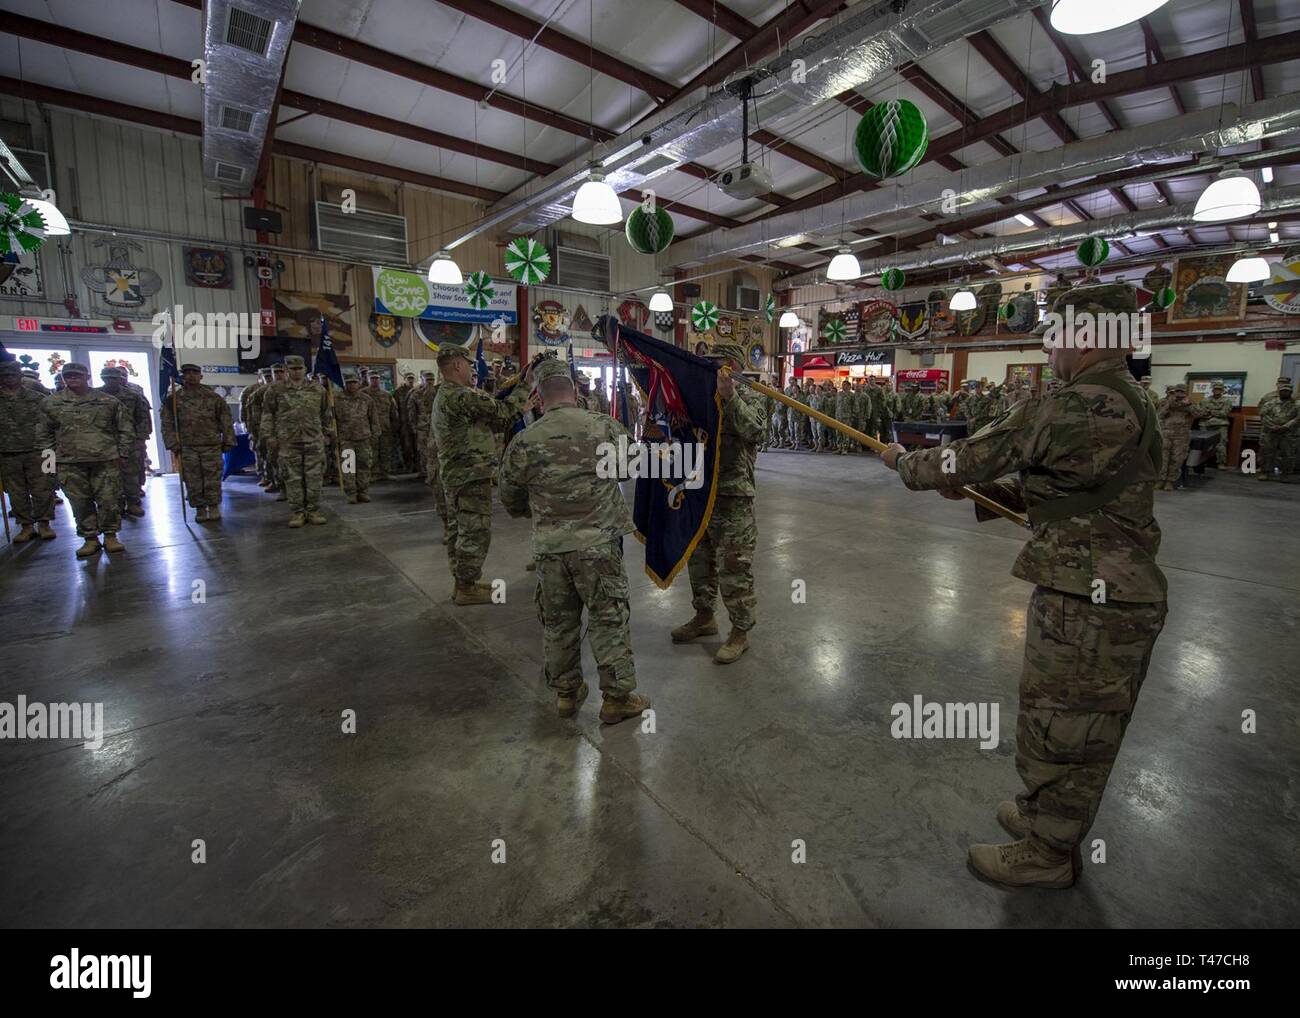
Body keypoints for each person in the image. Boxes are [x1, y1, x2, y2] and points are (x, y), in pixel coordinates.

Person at [881, 282, 1167, 889]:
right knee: (1074, 721)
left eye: (1057, 334)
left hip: (1089, 602)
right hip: (1113, 590)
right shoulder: (1136, 403)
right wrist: (990, 494)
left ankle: (1047, 855)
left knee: (1063, 727)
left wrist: (906, 464)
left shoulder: (1070, 406)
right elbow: (1073, 491)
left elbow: (961, 458)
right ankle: (1045, 817)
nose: (1050, 348)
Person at [498, 358, 651, 724]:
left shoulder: (524, 441)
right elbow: (631, 468)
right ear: (575, 390)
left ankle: (566, 695)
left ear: (538, 395)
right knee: (607, 618)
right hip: (599, 546)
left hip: (551, 550)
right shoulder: (603, 427)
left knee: (559, 622)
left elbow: (510, 499)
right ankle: (616, 700)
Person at [671, 342, 766, 664]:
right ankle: (704, 616)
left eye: (718, 364)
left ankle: (740, 632)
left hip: (732, 496)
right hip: (700, 494)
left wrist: (731, 398)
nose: (709, 369)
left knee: (734, 568)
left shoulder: (750, 396)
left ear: (734, 367)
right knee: (699, 562)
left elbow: (756, 431)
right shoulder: (698, 399)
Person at [432, 345, 534, 604]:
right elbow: (502, 411)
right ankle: (466, 587)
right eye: (468, 364)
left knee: (460, 529)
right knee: (475, 531)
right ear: (457, 365)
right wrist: (525, 386)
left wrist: (515, 402)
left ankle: (463, 582)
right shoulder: (459, 396)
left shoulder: (448, 395)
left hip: (459, 474)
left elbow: (496, 421)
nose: (472, 368)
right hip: (469, 474)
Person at [35, 362, 134, 557]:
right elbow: (43, 434)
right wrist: (49, 460)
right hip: (69, 462)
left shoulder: (108, 401)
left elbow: (125, 428)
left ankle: (111, 535)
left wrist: (123, 453)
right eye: (68, 375)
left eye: (77, 375)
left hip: (104, 459)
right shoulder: (50, 403)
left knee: (108, 499)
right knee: (80, 502)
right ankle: (90, 538)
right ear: (63, 378)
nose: (73, 378)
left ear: (87, 377)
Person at [261, 354, 330, 527]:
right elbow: (268, 414)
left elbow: (326, 413)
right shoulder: (275, 390)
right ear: (286, 370)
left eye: (300, 368)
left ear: (305, 369)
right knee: (292, 478)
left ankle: (313, 510)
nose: (297, 371)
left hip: (313, 439)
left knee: (314, 476)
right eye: (293, 368)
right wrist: (269, 436)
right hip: (288, 441)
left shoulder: (317, 389)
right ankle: (297, 512)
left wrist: (327, 434)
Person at [160, 364, 236, 522]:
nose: (191, 376)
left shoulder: (213, 397)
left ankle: (213, 506)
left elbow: (226, 420)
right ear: (182, 377)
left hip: (211, 445)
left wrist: (228, 439)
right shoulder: (173, 400)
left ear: (201, 376)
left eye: (195, 373)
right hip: (187, 446)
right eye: (187, 373)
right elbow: (167, 424)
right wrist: (172, 444)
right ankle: (200, 509)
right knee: (192, 479)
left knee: (212, 478)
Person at [0, 360, 57, 542]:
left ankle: (44, 524)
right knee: (16, 492)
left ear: (20, 376)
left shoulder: (37, 398)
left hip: (38, 451)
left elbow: (52, 424)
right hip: (7, 452)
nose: (9, 379)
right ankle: (26, 526)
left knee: (43, 489)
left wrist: (52, 449)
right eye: (5, 376)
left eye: (13, 375)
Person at [97, 366, 152, 518]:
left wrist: (142, 438)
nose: (112, 381)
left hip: (130, 441)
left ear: (121, 379)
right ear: (102, 378)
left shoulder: (133, 396)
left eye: (115, 378)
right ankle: (117, 505)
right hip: (104, 442)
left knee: (131, 475)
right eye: (108, 378)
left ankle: (133, 503)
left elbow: (142, 419)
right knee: (109, 476)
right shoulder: (95, 396)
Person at [334, 370, 380, 503]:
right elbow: (332, 419)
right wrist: (332, 436)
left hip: (364, 438)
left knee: (364, 466)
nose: (352, 385)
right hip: (346, 439)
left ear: (359, 383)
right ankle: (351, 493)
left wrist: (375, 434)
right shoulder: (337, 399)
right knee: (348, 467)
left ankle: (363, 492)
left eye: (354, 382)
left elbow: (374, 418)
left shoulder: (366, 399)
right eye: (348, 383)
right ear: (344, 384)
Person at [1157, 383, 1194, 491]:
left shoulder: (1189, 404)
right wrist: (1170, 403)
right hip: (1166, 434)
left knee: (1177, 459)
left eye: (1182, 392)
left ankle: (1170, 481)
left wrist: (1188, 405)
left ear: (1185, 393)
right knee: (1162, 458)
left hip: (1181, 436)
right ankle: (1160, 480)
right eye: (1177, 391)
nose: (1179, 394)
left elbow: (1199, 413)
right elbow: (1159, 415)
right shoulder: (1167, 402)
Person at [1258, 380, 1298, 481]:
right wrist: (1273, 426)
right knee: (1267, 452)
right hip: (1271, 432)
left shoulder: (1297, 404)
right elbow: (1264, 416)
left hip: (1288, 432)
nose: (1285, 393)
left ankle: (1285, 474)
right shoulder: (1269, 403)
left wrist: (1285, 426)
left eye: (1287, 391)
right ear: (1279, 391)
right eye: (1283, 391)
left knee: (1288, 454)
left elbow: (1298, 418)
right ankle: (1265, 472)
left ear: (1291, 392)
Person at [364, 374, 399, 481]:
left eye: (377, 379)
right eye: (372, 379)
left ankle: (385, 472)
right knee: (372, 452)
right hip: (370, 428)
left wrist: (395, 425)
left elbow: (393, 411)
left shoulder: (386, 395)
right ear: (369, 380)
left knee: (385, 451)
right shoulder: (363, 394)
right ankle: (373, 473)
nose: (375, 381)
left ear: (380, 380)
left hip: (385, 427)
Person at [1193, 381, 1234, 470]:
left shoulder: (1227, 401)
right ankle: (1201, 462)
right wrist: (1213, 413)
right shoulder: (1205, 400)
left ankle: (1221, 463)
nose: (1217, 391)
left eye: (1219, 389)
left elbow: (1225, 413)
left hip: (1221, 425)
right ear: (1212, 390)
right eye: (1215, 389)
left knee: (1221, 444)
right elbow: (1200, 412)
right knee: (1202, 444)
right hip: (1205, 424)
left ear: (1222, 390)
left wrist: (1210, 412)